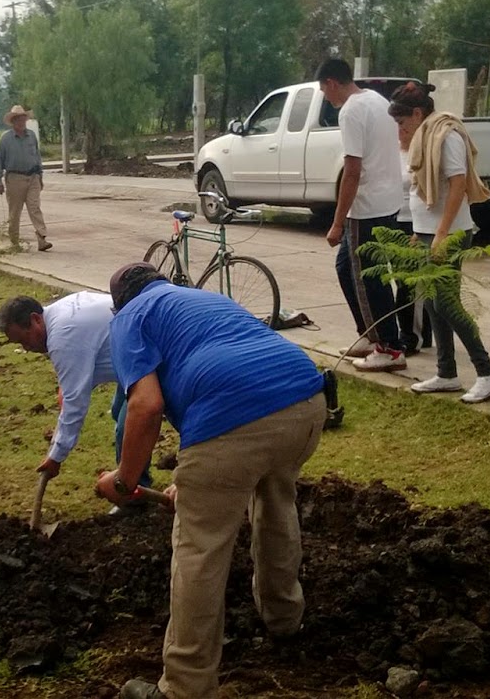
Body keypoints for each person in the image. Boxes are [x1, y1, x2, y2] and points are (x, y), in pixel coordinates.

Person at [101, 262, 324, 699]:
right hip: (304, 401)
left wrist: (124, 481)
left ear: (118, 304)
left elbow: (145, 406)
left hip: (233, 416)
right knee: (276, 503)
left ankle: (184, 686)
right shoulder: (203, 299)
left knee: (200, 548)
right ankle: (284, 618)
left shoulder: (129, 317)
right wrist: (195, 478)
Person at [388, 83, 490, 404]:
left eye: (402, 123)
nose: (400, 131)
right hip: (429, 232)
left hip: (449, 233)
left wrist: (440, 233)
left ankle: (488, 373)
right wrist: (421, 232)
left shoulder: (446, 134)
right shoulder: (425, 136)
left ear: (417, 113)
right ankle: (446, 373)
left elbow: (457, 185)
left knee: (446, 304)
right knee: (432, 303)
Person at [0, 292, 153, 516]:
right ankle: (137, 482)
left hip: (151, 356)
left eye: (24, 339)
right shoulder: (60, 312)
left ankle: (130, 492)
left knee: (128, 426)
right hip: (132, 356)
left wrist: (56, 457)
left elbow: (75, 403)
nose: (26, 348)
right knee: (118, 410)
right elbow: (89, 366)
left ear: (35, 319)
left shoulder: (63, 336)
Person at [317, 57, 406, 372]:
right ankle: (369, 334)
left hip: (367, 207)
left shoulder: (351, 110)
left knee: (368, 280)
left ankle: (390, 347)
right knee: (346, 268)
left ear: (332, 82)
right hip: (388, 201)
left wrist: (337, 222)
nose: (325, 96)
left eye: (324, 90)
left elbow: (352, 171)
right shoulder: (377, 100)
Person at [394, 111, 431, 356]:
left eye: (403, 123)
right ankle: (419, 333)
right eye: (396, 124)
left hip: (415, 222)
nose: (399, 129)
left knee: (411, 284)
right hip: (393, 218)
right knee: (400, 280)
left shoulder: (423, 151)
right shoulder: (391, 152)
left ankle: (411, 336)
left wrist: (420, 228)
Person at [0, 105, 52, 252]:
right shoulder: (6, 139)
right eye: (18, 119)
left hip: (33, 177)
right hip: (14, 179)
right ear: (13, 121)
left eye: (23, 119)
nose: (21, 122)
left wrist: (40, 176)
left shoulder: (31, 136)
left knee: (34, 207)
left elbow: (37, 156)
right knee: (15, 212)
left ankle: (42, 238)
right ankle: (14, 242)